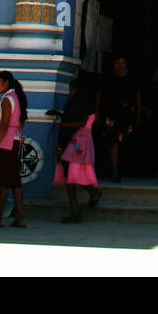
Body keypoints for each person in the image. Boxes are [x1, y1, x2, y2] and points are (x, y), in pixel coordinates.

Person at [53, 76, 100, 222]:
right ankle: (82, 205)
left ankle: (77, 210)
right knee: (73, 176)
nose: (70, 92)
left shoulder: (80, 104)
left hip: (77, 143)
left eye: (72, 89)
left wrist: (63, 125)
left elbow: (81, 122)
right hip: (76, 143)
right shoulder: (84, 104)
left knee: (72, 176)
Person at [0, 70, 28, 228]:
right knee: (14, 182)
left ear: (6, 83)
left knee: (3, 182)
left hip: (6, 144)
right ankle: (19, 218)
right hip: (15, 142)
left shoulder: (6, 100)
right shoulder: (16, 98)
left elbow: (3, 127)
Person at [96, 56, 141, 183]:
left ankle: (127, 169)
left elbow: (137, 95)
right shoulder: (108, 78)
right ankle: (114, 171)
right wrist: (98, 113)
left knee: (126, 140)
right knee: (112, 141)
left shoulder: (132, 78)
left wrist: (138, 112)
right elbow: (99, 95)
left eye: (122, 63)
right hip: (111, 114)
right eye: (117, 63)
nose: (119, 65)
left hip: (127, 114)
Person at [140, 64, 158, 178]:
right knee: (147, 145)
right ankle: (146, 170)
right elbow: (140, 101)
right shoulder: (146, 86)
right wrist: (146, 111)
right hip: (147, 120)